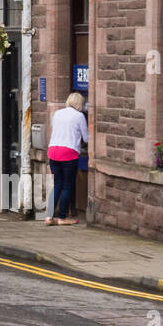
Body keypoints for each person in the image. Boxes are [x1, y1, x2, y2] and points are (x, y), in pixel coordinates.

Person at [46, 92, 88, 226]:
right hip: (68, 153)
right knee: (67, 186)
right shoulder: (79, 116)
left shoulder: (58, 113)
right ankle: (62, 217)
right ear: (79, 103)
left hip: (53, 151)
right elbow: (86, 138)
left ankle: (48, 217)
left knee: (57, 184)